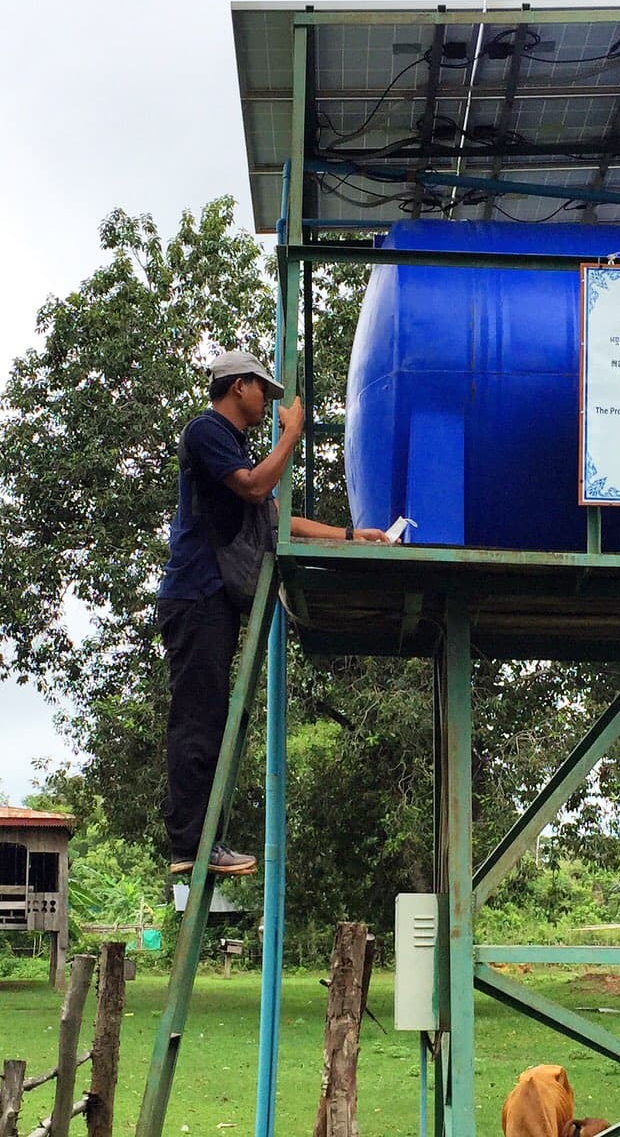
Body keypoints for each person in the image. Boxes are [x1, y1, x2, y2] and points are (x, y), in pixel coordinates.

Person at [157, 350, 389, 875]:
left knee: (213, 719)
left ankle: (201, 843)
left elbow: (278, 515)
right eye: (264, 390)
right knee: (197, 719)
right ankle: (190, 846)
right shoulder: (206, 431)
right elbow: (258, 486)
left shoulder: (233, 449)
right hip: (196, 594)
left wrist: (353, 537)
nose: (268, 401)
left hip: (214, 599)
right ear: (239, 387)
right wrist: (293, 434)